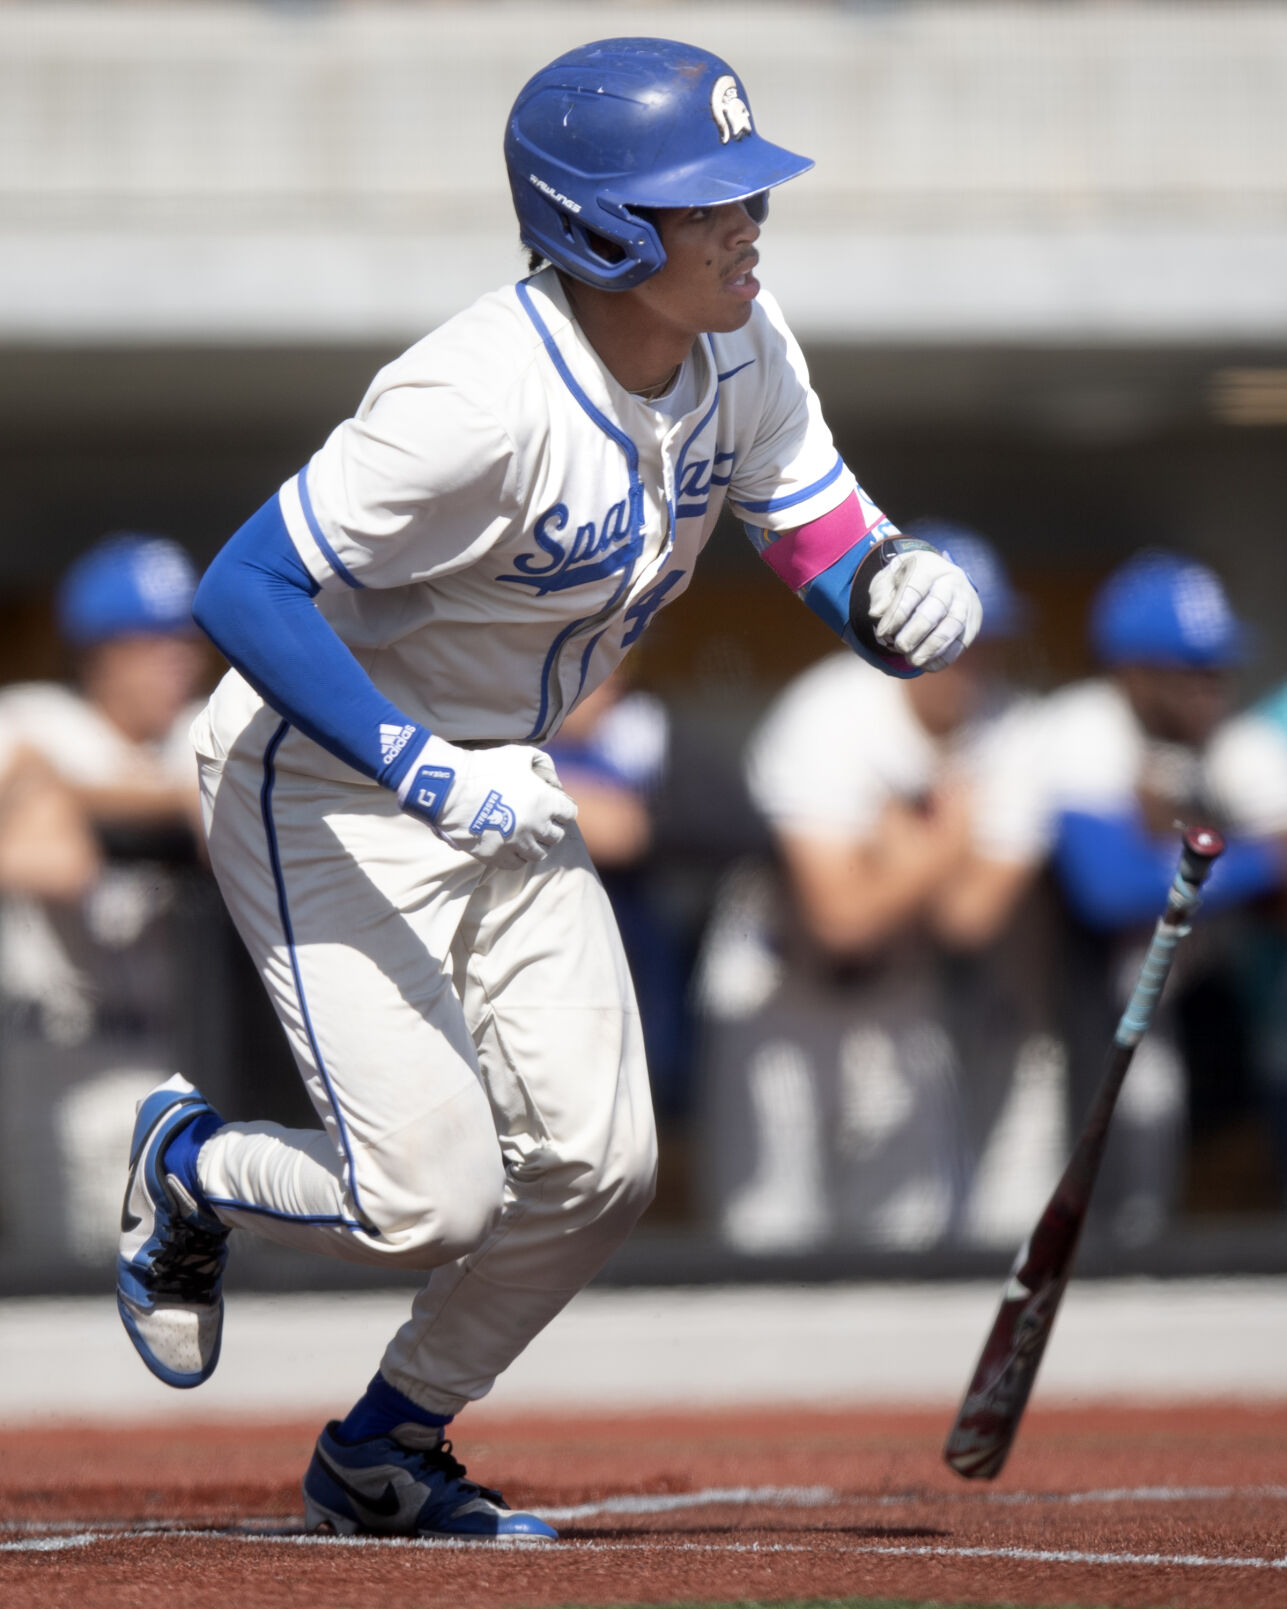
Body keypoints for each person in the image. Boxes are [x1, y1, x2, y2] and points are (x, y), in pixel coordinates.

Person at [114, 38, 981, 1543]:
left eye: (745, 194)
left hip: (503, 768)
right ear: (601, 228)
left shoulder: (743, 341)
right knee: (424, 1202)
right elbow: (243, 587)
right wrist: (412, 763)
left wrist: (889, 590)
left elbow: (812, 520)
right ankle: (187, 1168)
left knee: (601, 1168)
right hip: (323, 769)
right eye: (706, 201)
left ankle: (385, 1445)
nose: (747, 223)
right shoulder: (472, 394)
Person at [696, 525, 1048, 1252]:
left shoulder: (1012, 730)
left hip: (899, 999)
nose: (965, 659)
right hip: (775, 998)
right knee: (766, 1245)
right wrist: (942, 846)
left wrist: (895, 852)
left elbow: (968, 922)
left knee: (908, 1245)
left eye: (982, 638)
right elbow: (840, 921)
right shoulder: (828, 711)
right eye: (947, 635)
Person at [1039, 548, 1287, 1243]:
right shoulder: (1080, 725)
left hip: (1151, 1022)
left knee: (1142, 1232)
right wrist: (1250, 855)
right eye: (1191, 669)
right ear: (1133, 670)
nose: (1213, 686)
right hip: (1037, 1038)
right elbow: (1108, 890)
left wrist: (1201, 841)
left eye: (1218, 666)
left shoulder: (1226, 746)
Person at [0, 534, 212, 1267]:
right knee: (64, 1290)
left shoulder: (204, 731)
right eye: (151, 642)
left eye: (183, 639)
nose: (177, 660)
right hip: (53, 1061)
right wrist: (155, 804)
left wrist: (65, 789)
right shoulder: (33, 717)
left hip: (175, 1063)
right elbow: (59, 863)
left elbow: (215, 820)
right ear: (99, 654)